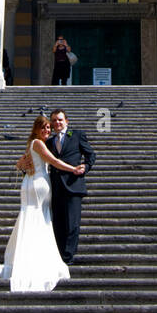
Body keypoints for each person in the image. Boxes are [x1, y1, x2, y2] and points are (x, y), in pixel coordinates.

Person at [0, 116, 84, 293]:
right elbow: (53, 161)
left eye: (48, 128)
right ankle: (34, 259)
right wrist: (73, 169)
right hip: (37, 184)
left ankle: (33, 256)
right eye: (43, 127)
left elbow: (21, 163)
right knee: (36, 218)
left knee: (38, 218)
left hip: (37, 182)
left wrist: (22, 164)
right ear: (36, 129)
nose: (47, 130)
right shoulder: (38, 143)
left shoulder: (35, 143)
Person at [47, 109, 96, 265]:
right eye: (54, 120)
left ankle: (68, 257)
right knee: (58, 223)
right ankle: (60, 255)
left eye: (60, 120)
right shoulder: (49, 141)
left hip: (73, 185)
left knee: (72, 224)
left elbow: (91, 154)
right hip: (55, 187)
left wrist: (85, 167)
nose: (57, 123)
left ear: (66, 121)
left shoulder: (77, 135)